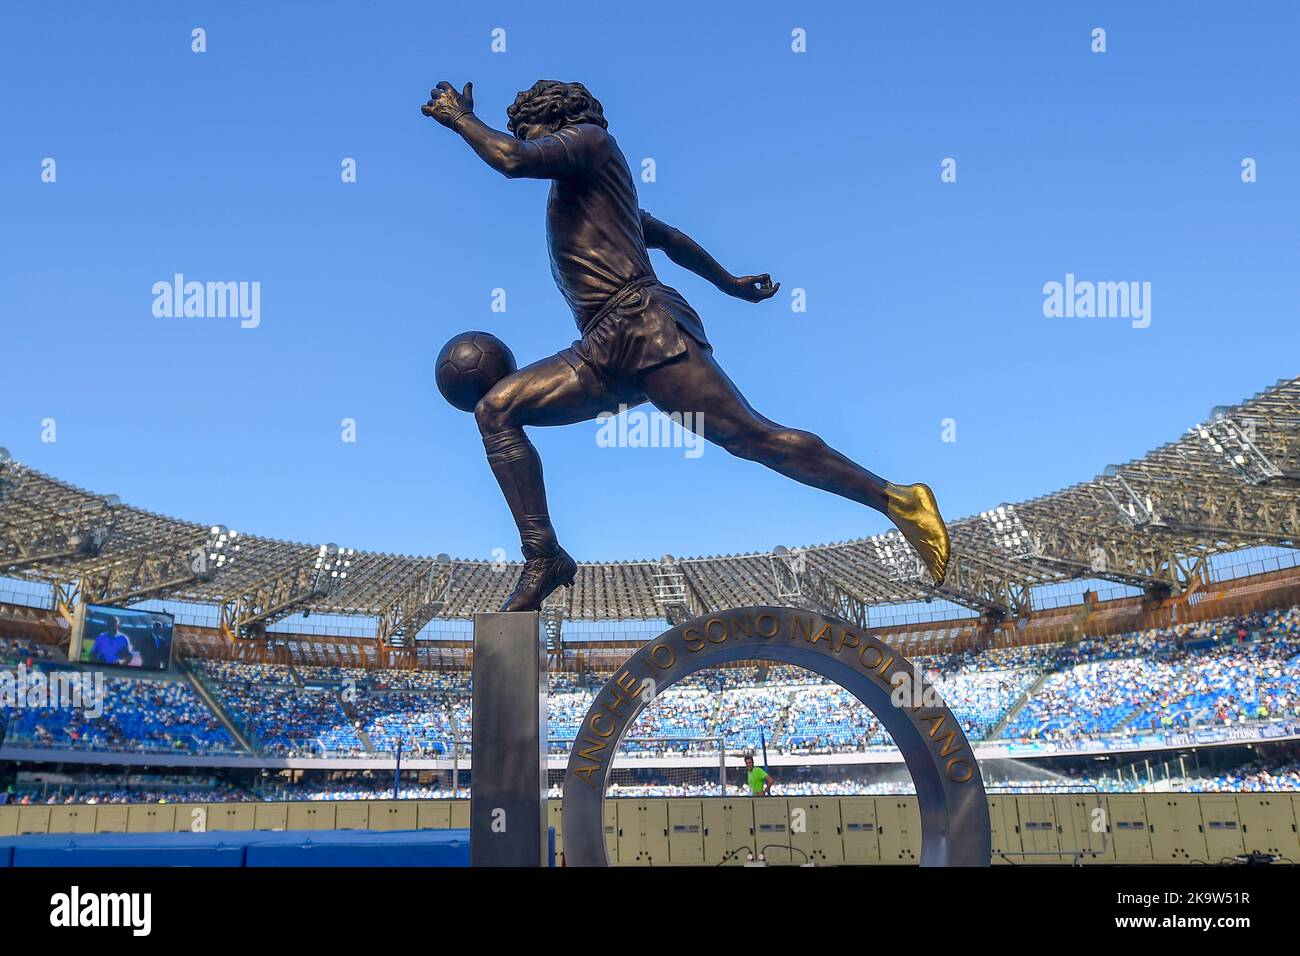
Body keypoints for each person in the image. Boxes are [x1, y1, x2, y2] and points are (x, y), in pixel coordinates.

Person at [421, 79, 951, 611]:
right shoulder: (588, 190)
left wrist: (458, 119)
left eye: (528, 127)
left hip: (644, 328)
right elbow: (667, 237)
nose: (525, 139)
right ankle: (544, 555)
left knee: (751, 437)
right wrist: (729, 284)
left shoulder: (589, 143)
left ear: (553, 117)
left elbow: (511, 160)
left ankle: (898, 500)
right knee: (497, 408)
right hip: (603, 346)